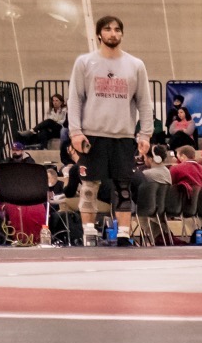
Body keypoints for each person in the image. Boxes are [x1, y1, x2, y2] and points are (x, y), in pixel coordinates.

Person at [66, 14, 155, 247]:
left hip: (123, 136)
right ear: (99, 34)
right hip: (92, 135)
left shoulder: (136, 65)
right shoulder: (85, 62)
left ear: (122, 34)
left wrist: (145, 134)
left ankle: (124, 234)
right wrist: (75, 132)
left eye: (117, 29)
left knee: (123, 188)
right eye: (107, 29)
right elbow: (75, 98)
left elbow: (144, 102)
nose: (112, 33)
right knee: (89, 187)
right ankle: (89, 234)